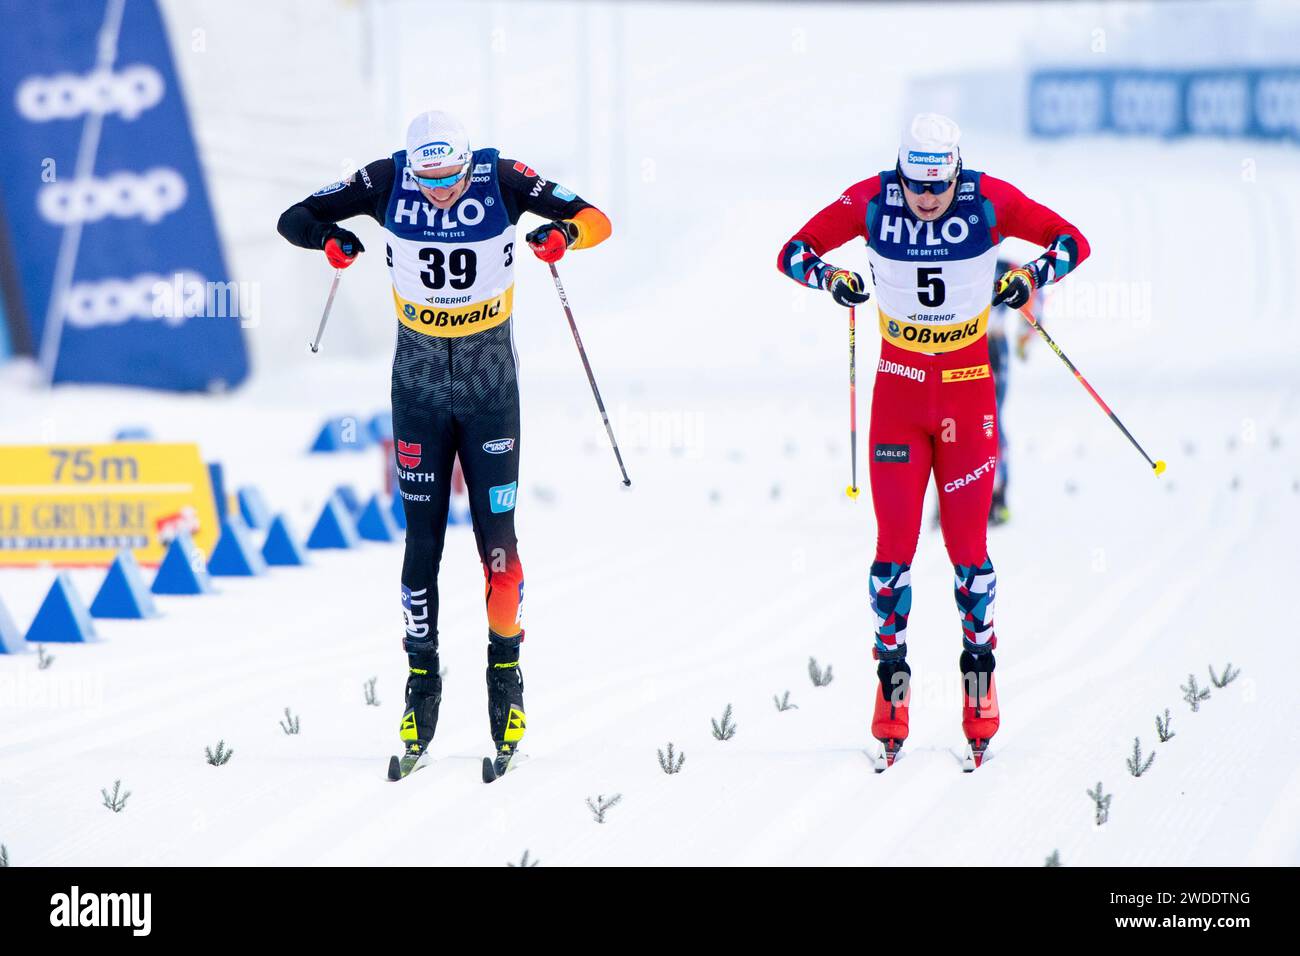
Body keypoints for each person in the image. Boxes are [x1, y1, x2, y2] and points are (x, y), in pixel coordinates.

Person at [277, 110, 612, 780]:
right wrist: (330, 239)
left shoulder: (503, 175)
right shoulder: (385, 178)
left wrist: (561, 233)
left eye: (450, 178)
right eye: (428, 180)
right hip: (419, 390)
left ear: (467, 164)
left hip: (490, 392)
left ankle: (506, 683)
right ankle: (421, 688)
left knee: (498, 541)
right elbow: (296, 218)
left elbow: (598, 219)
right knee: (421, 542)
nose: (439, 192)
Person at [776, 113, 1090, 769]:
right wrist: (830, 280)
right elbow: (793, 252)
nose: (924, 199)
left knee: (969, 554)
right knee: (893, 554)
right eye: (914, 184)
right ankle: (893, 689)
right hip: (899, 393)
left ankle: (979, 682)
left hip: (968, 388)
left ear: (955, 169)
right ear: (899, 171)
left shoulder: (988, 198)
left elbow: (1072, 242)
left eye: (936, 185)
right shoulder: (871, 199)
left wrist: (1030, 277)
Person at [986, 256, 1043, 525]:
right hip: (951, 348)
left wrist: (1026, 333)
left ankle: (998, 496)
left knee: (990, 421)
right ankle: (949, 500)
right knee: (948, 423)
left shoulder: (1003, 267)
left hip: (991, 345)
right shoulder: (946, 253)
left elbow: (1033, 290)